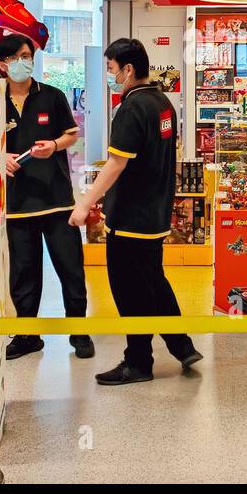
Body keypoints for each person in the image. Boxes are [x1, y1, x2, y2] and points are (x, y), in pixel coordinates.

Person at [70, 38, 203, 385]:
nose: (111, 76)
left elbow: (116, 164)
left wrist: (85, 202)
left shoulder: (130, 109)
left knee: (129, 291)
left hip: (130, 217)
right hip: (155, 212)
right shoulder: (163, 104)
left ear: (128, 69)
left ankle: (139, 362)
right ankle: (181, 344)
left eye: (112, 69)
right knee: (153, 280)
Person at [0, 34, 94, 361]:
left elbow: (71, 134)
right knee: (23, 272)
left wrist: (53, 146)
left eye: (28, 56)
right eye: (17, 57)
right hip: (17, 204)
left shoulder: (51, 96)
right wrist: (0, 156)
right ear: (3, 63)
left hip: (57, 200)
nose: (24, 62)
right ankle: (27, 335)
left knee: (71, 268)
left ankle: (79, 332)